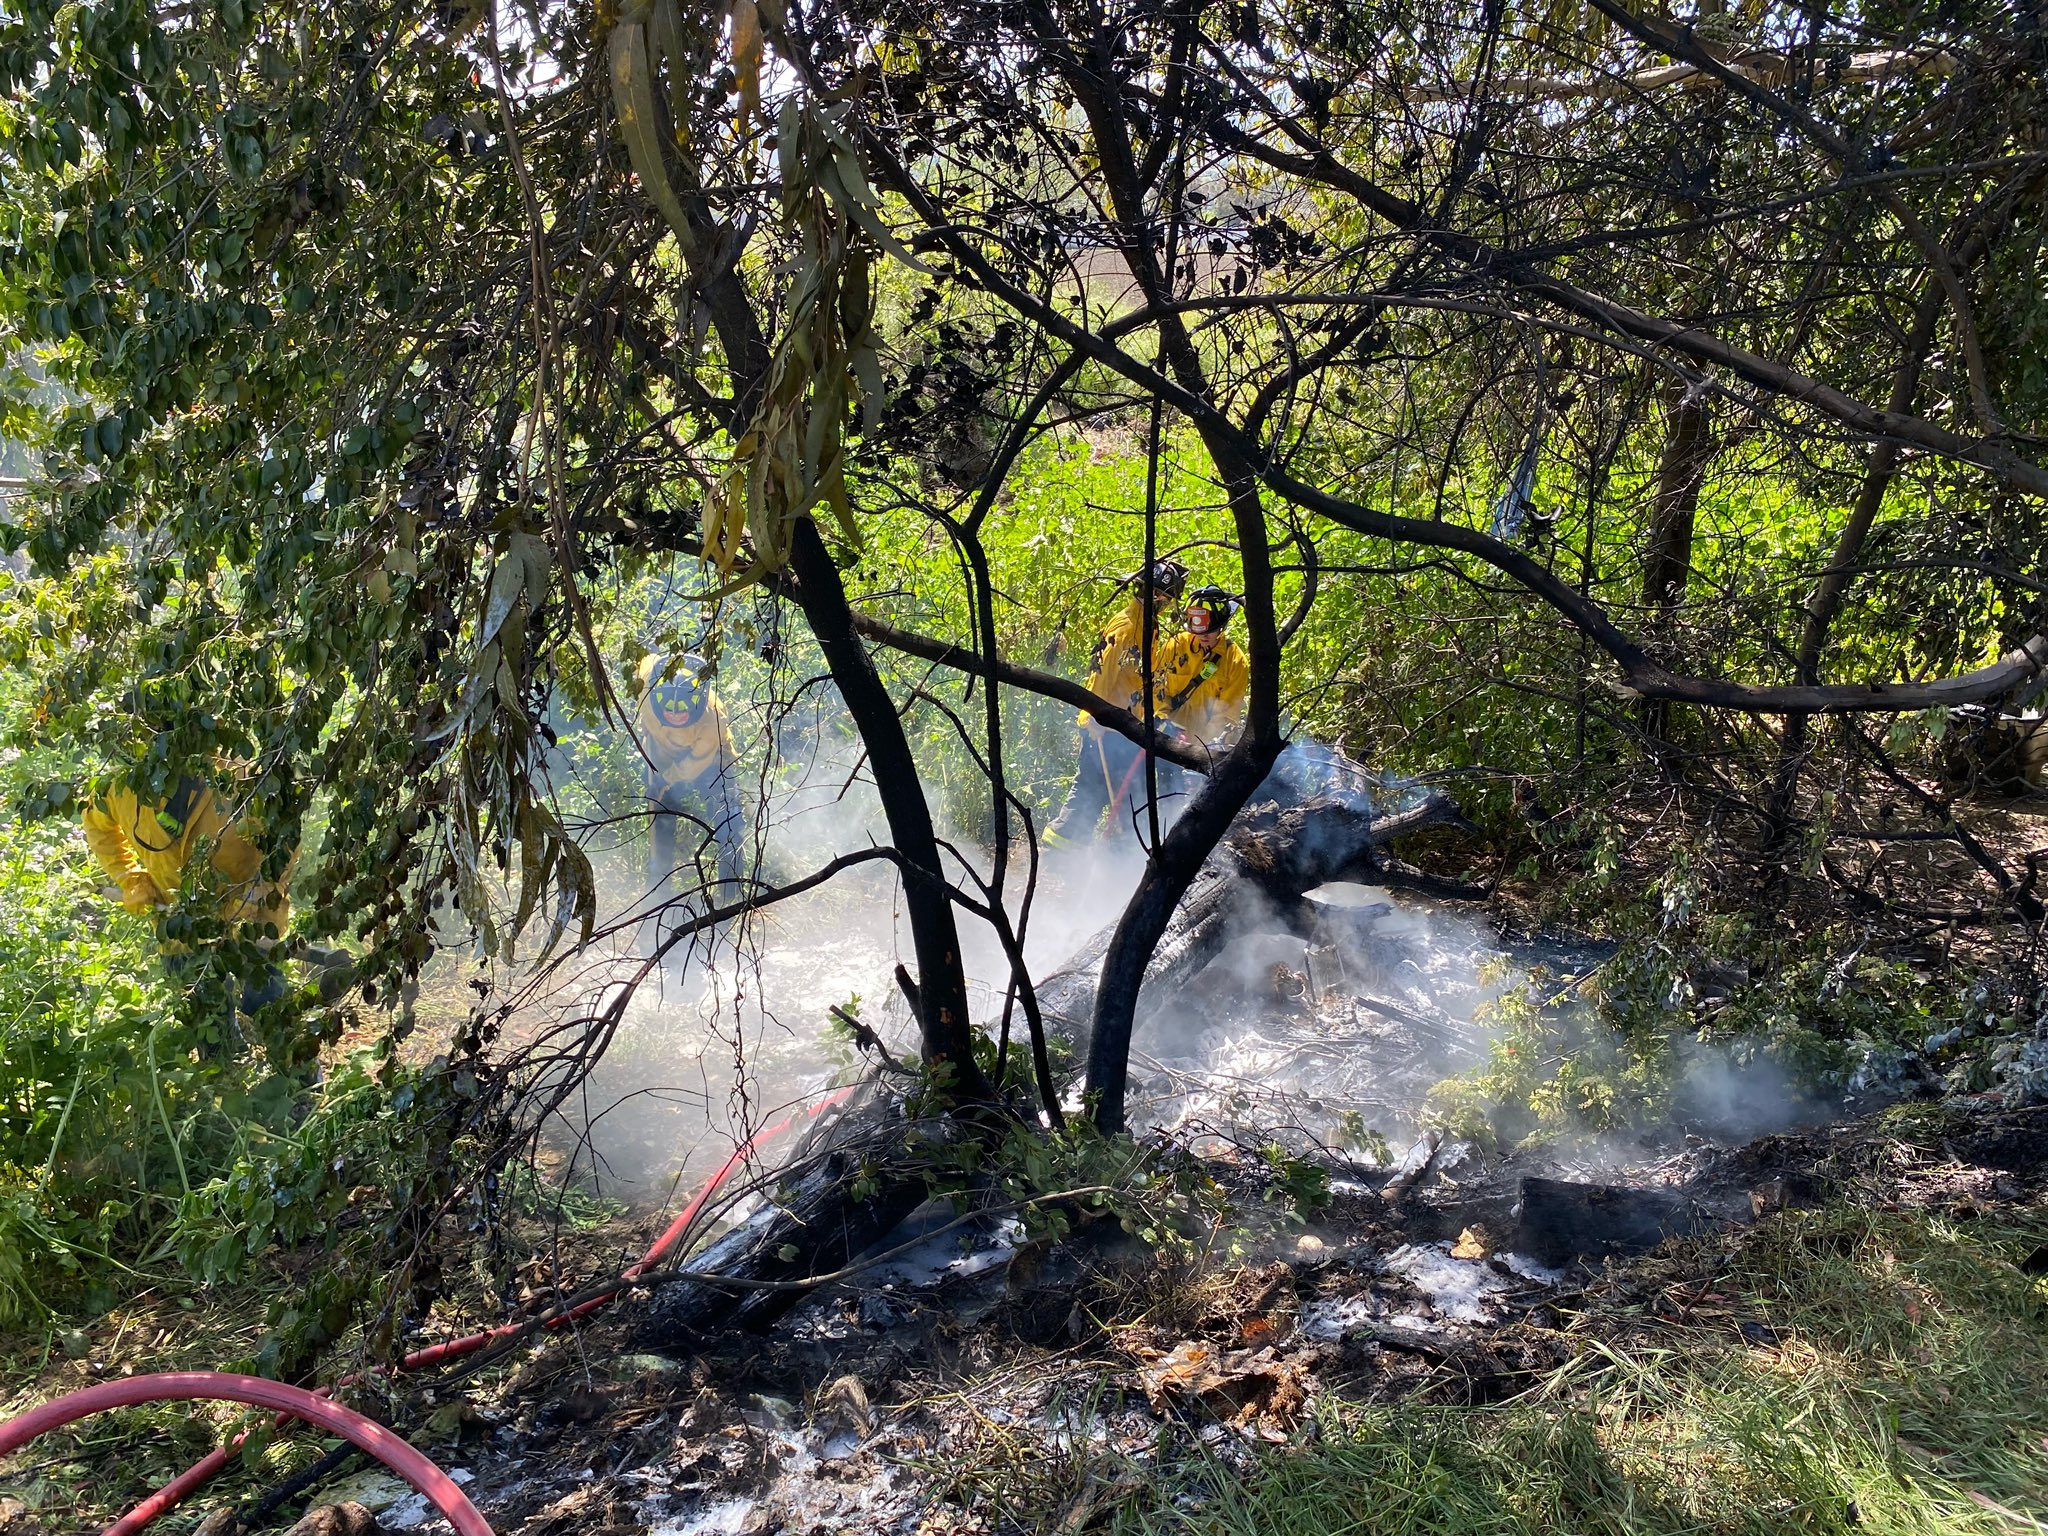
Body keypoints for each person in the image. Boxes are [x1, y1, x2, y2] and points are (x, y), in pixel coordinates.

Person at [83, 773, 296, 1013]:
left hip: (250, 921)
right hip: (179, 927)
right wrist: (129, 878)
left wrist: (259, 893)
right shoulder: (122, 785)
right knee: (210, 1025)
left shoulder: (238, 777)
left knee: (269, 1008)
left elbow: (284, 837)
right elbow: (96, 824)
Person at [1044, 558, 1187, 848]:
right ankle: (1059, 852)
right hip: (1107, 728)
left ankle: (1121, 854)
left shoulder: (1147, 626)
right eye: (1165, 598)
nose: (1166, 604)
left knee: (1124, 794)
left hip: (1127, 729)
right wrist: (1093, 718)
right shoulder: (1125, 627)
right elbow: (1101, 675)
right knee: (1092, 791)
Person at [636, 651, 743, 899]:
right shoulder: (647, 686)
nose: (674, 714)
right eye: (669, 710)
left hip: (712, 760)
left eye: (681, 710)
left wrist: (664, 780)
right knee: (660, 819)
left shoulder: (713, 719)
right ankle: (659, 894)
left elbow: (693, 764)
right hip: (662, 754)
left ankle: (730, 896)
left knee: (728, 821)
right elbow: (647, 660)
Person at [1160, 585, 1250, 755]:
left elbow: (1226, 717)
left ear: (1221, 625)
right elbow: (1156, 691)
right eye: (1199, 632)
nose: (1204, 637)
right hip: (1168, 743)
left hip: (1206, 750)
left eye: (1210, 631)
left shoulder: (1235, 661)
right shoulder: (1175, 647)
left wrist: (1200, 751)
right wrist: (1165, 726)